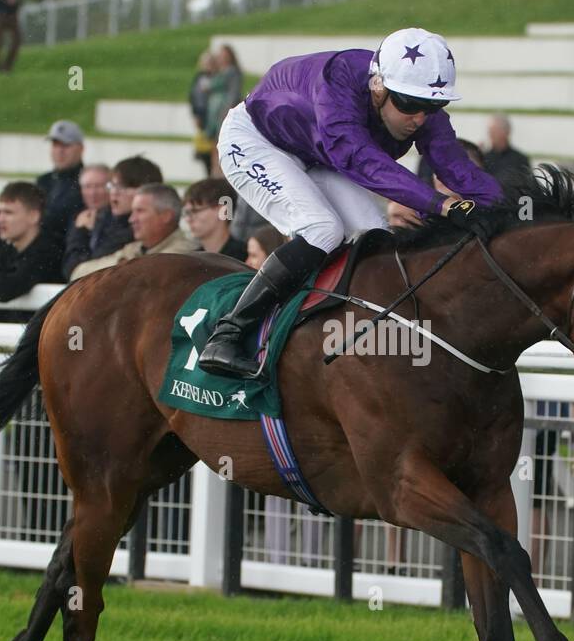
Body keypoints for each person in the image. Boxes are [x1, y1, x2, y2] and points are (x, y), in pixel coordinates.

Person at [198, 26, 502, 379]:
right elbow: (364, 163)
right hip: (257, 141)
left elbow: (456, 166)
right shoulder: (337, 86)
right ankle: (229, 333)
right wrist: (442, 206)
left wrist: (514, 207)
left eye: (433, 107)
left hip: (315, 154)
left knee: (375, 236)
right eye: (410, 104)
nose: (419, 117)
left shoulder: (416, 108)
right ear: (378, 87)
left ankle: (362, 343)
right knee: (323, 229)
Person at [0, 182, 63, 320]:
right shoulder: (6, 250)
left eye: (8, 212)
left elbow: (3, 290)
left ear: (33, 216)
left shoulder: (50, 252)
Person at [63, 156, 162, 280]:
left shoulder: (131, 230)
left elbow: (75, 271)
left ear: (144, 191)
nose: (114, 192)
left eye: (122, 187)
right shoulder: (105, 218)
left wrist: (80, 233)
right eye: (112, 186)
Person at [70, 184, 198, 279]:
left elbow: (146, 279)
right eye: (133, 212)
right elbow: (78, 273)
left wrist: (121, 268)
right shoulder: (134, 249)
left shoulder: (185, 253)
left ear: (166, 216)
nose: (132, 219)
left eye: (140, 211)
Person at [36, 120, 86, 246]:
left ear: (80, 148)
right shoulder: (43, 181)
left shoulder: (88, 184)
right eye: (55, 145)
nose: (59, 151)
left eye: (65, 145)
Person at [182, 178, 247, 261]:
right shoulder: (190, 259)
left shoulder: (246, 257)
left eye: (195, 211)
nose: (188, 219)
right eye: (187, 212)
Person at [189, 51, 217, 175]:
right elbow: (195, 97)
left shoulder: (218, 77)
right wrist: (197, 114)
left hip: (215, 117)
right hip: (205, 117)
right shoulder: (201, 78)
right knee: (207, 150)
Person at [482, 114, 530, 181]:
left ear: (506, 132)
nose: (490, 135)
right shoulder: (483, 158)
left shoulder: (520, 160)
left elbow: (527, 187)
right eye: (490, 132)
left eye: (493, 132)